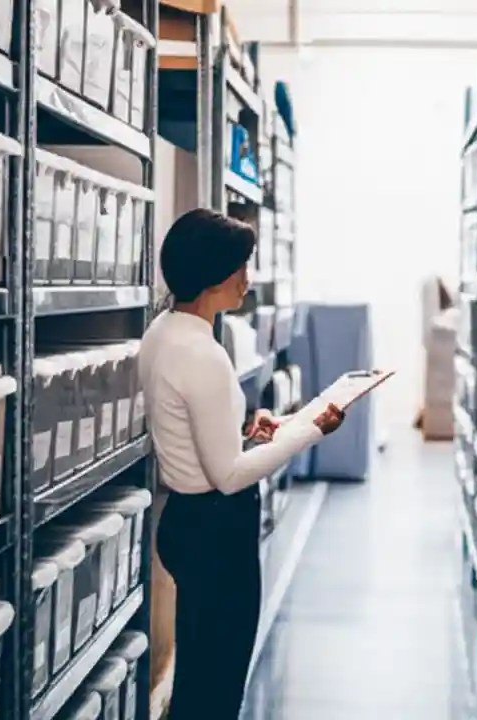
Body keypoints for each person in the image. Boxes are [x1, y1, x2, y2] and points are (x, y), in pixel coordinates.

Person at [140, 209, 343, 719]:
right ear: (214, 274)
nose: (247, 281)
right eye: (240, 267)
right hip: (216, 531)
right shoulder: (202, 353)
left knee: (198, 680)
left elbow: (194, 430)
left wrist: (250, 426)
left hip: (186, 523)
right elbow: (228, 475)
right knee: (217, 690)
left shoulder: (165, 331)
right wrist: (308, 430)